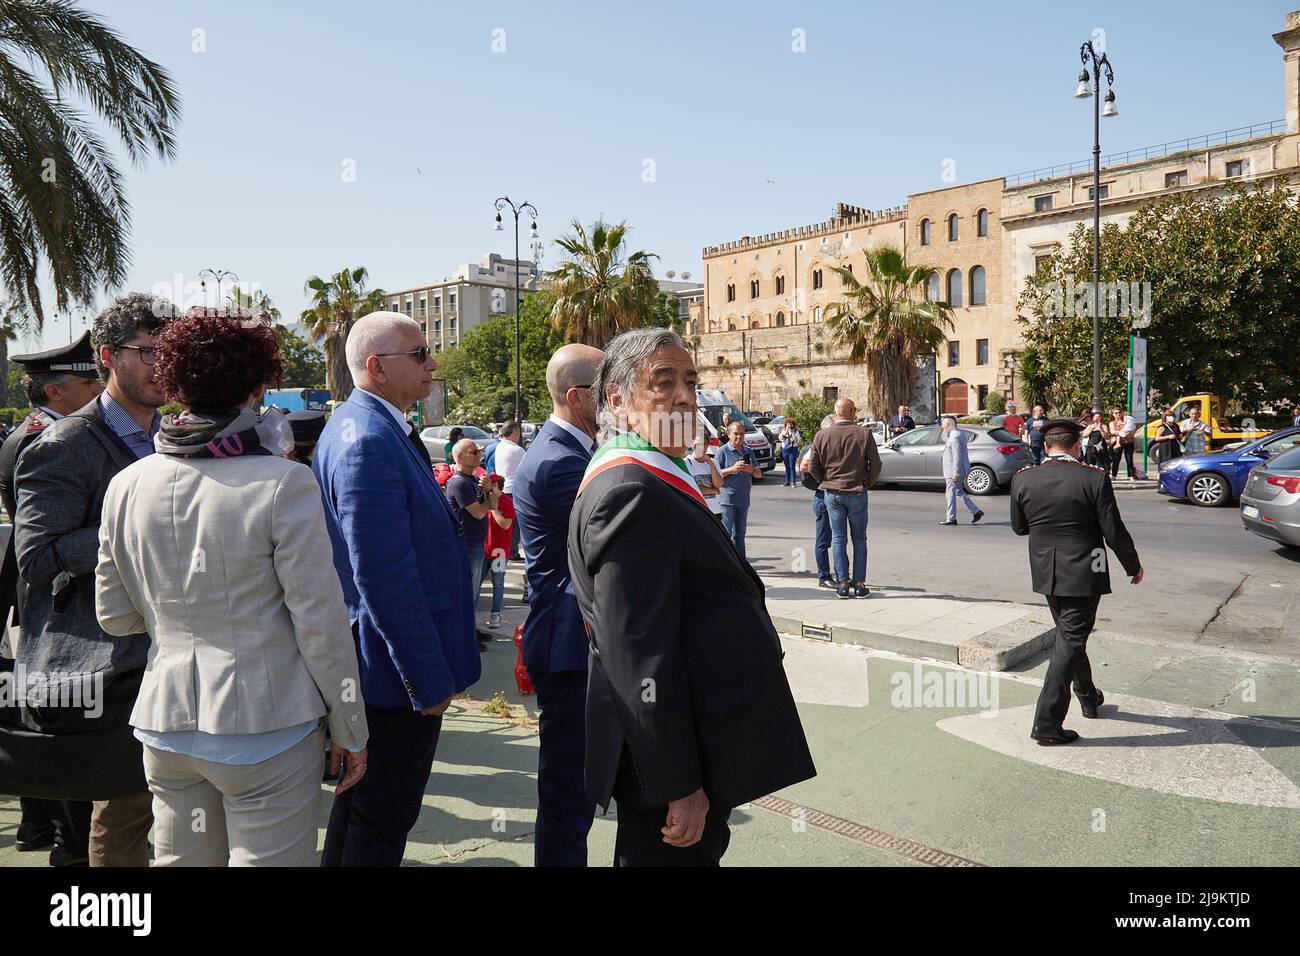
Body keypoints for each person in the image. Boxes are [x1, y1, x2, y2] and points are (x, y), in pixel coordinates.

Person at [93, 307, 369, 866]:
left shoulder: (127, 484)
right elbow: (320, 621)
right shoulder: (282, 482)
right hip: (265, 726)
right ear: (257, 386)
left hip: (166, 724)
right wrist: (351, 727)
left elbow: (114, 615)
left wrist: (182, 614)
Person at [568, 327, 815, 866]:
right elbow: (639, 660)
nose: (684, 396)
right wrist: (678, 783)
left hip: (694, 735)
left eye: (690, 380)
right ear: (617, 400)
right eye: (663, 382)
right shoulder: (631, 489)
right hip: (669, 759)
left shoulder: (652, 473)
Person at [313, 312, 480, 867]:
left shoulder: (371, 426)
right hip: (391, 677)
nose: (433, 363)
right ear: (376, 367)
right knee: (381, 818)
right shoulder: (367, 439)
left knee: (363, 808)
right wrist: (425, 679)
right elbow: (382, 577)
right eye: (420, 354)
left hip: (382, 670)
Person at [11, 292, 169, 866]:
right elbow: (37, 556)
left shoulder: (171, 434)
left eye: (169, 351)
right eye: (147, 351)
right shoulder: (64, 442)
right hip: (110, 666)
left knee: (160, 812)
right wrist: (137, 525)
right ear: (108, 356)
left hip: (168, 654)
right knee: (121, 815)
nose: (162, 365)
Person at [0, 333, 101, 867]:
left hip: (54, 591)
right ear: (55, 391)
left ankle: (42, 825)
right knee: (64, 727)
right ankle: (67, 843)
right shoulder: (46, 439)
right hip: (56, 594)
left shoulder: (47, 431)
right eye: (88, 382)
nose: (97, 389)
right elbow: (38, 547)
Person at [512, 342, 603, 867]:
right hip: (570, 644)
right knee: (569, 798)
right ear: (575, 396)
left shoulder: (570, 450)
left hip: (573, 639)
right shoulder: (559, 462)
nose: (616, 398)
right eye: (605, 389)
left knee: (576, 795)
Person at [1010, 419, 1142, 745]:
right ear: (1075, 445)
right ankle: (1046, 723)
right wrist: (1133, 564)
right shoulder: (1093, 477)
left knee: (1071, 638)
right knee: (1068, 642)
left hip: (1045, 571)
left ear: (1046, 446)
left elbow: (1019, 526)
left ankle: (1087, 695)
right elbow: (1113, 530)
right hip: (1085, 571)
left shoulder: (1024, 478)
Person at [809, 398, 881, 599]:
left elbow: (813, 466)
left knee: (838, 539)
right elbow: (876, 464)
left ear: (836, 412)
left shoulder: (822, 435)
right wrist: (867, 482)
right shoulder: (863, 434)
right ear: (851, 412)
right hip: (856, 491)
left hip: (832, 492)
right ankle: (858, 584)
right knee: (859, 539)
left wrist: (825, 480)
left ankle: (842, 584)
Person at [713, 420, 761, 561]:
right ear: (729, 435)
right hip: (727, 499)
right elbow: (714, 474)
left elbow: (758, 474)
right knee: (726, 534)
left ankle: (741, 563)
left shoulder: (748, 451)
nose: (739, 437)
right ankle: (725, 562)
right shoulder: (723, 451)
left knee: (740, 534)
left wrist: (752, 470)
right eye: (735, 434)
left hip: (743, 500)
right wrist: (732, 469)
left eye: (741, 434)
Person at [478, 475, 513, 629]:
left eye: (490, 485)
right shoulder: (482, 500)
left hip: (499, 551)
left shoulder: (507, 502)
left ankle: (496, 614)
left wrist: (494, 509)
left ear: (497, 485)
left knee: (497, 584)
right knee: (476, 583)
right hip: (484, 549)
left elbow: (505, 525)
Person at [938, 416, 984, 526]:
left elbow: (957, 456)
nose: (942, 427)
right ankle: (976, 511)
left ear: (949, 425)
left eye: (943, 425)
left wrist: (955, 473)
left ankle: (951, 518)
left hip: (953, 471)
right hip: (955, 470)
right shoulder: (957, 434)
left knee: (950, 494)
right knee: (958, 491)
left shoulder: (954, 437)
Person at [494, 420, 526, 559]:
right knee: (514, 524)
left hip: (502, 489)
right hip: (514, 489)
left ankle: (507, 550)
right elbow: (527, 468)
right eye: (518, 433)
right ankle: (513, 552)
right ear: (513, 433)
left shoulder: (499, 447)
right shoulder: (517, 449)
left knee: (506, 523)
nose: (519, 436)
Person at [687, 435, 725, 516]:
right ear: (692, 445)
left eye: (704, 444)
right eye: (698, 444)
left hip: (715, 511)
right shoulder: (687, 463)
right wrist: (713, 490)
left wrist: (711, 464)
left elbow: (718, 484)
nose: (701, 447)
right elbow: (692, 489)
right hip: (698, 510)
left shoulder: (713, 462)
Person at [1109, 407, 1138, 480]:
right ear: (1113, 415)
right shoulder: (1112, 423)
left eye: (1119, 412)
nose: (1118, 414)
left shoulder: (1126, 421)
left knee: (1129, 459)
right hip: (1118, 443)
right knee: (1116, 459)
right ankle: (1114, 475)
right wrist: (1121, 432)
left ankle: (1131, 475)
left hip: (1128, 441)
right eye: (1116, 413)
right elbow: (1112, 431)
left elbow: (1132, 430)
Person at [777, 419, 801, 486]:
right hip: (785, 450)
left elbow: (796, 441)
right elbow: (781, 438)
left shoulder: (796, 432)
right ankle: (787, 482)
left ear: (793, 425)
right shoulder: (784, 431)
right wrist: (786, 430)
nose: (790, 426)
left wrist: (793, 433)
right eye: (788, 424)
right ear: (786, 425)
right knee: (787, 466)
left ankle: (793, 482)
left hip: (793, 450)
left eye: (791, 424)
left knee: (792, 466)